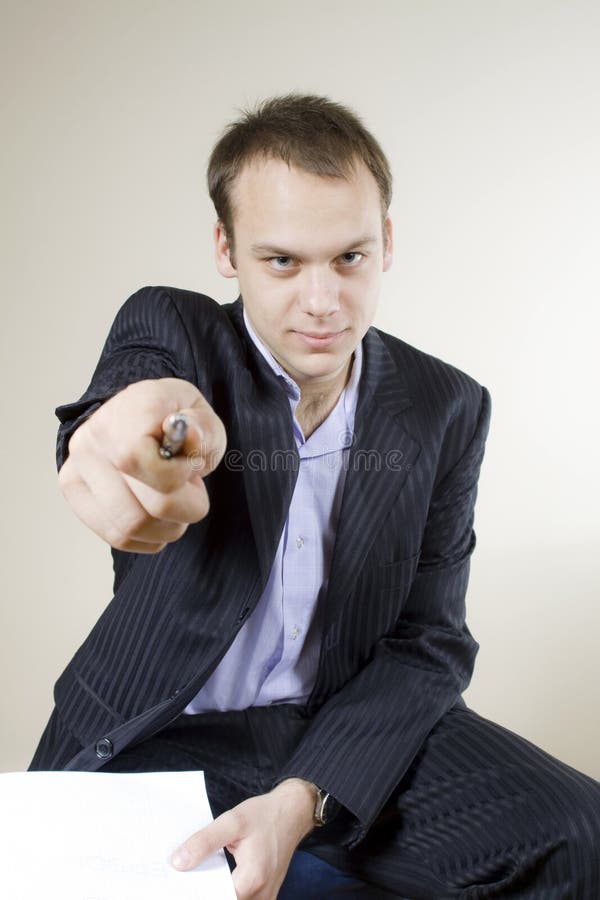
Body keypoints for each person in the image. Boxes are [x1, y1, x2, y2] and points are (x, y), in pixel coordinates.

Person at [31, 94, 599, 899]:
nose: (324, 301)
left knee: (584, 834)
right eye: (284, 262)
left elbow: (429, 640)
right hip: (165, 730)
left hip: (343, 725)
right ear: (226, 249)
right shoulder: (180, 333)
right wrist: (121, 430)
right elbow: (132, 391)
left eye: (350, 258)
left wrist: (304, 798)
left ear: (388, 243)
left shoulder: (447, 405)